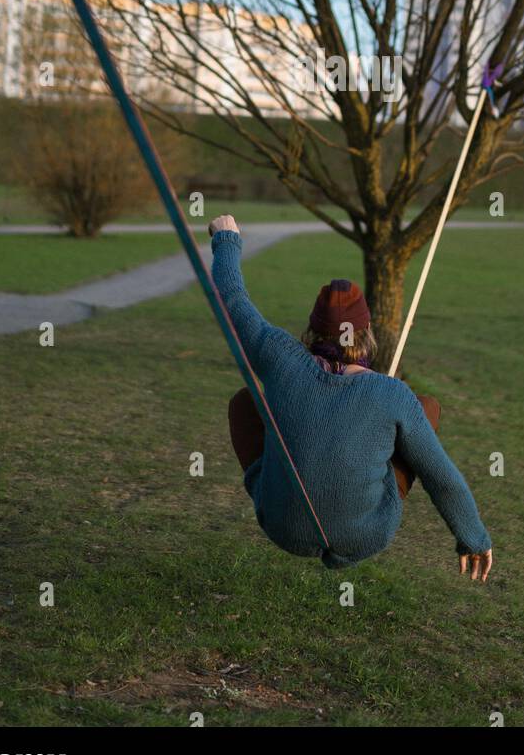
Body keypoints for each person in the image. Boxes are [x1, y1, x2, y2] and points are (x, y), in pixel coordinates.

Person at [210, 214, 493, 579]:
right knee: (426, 409)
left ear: (312, 330)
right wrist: (473, 537)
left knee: (246, 403)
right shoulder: (392, 393)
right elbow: (440, 474)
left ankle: (278, 491)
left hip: (284, 529)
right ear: (366, 334)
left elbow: (232, 300)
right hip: (366, 536)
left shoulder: (279, 356)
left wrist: (227, 241)